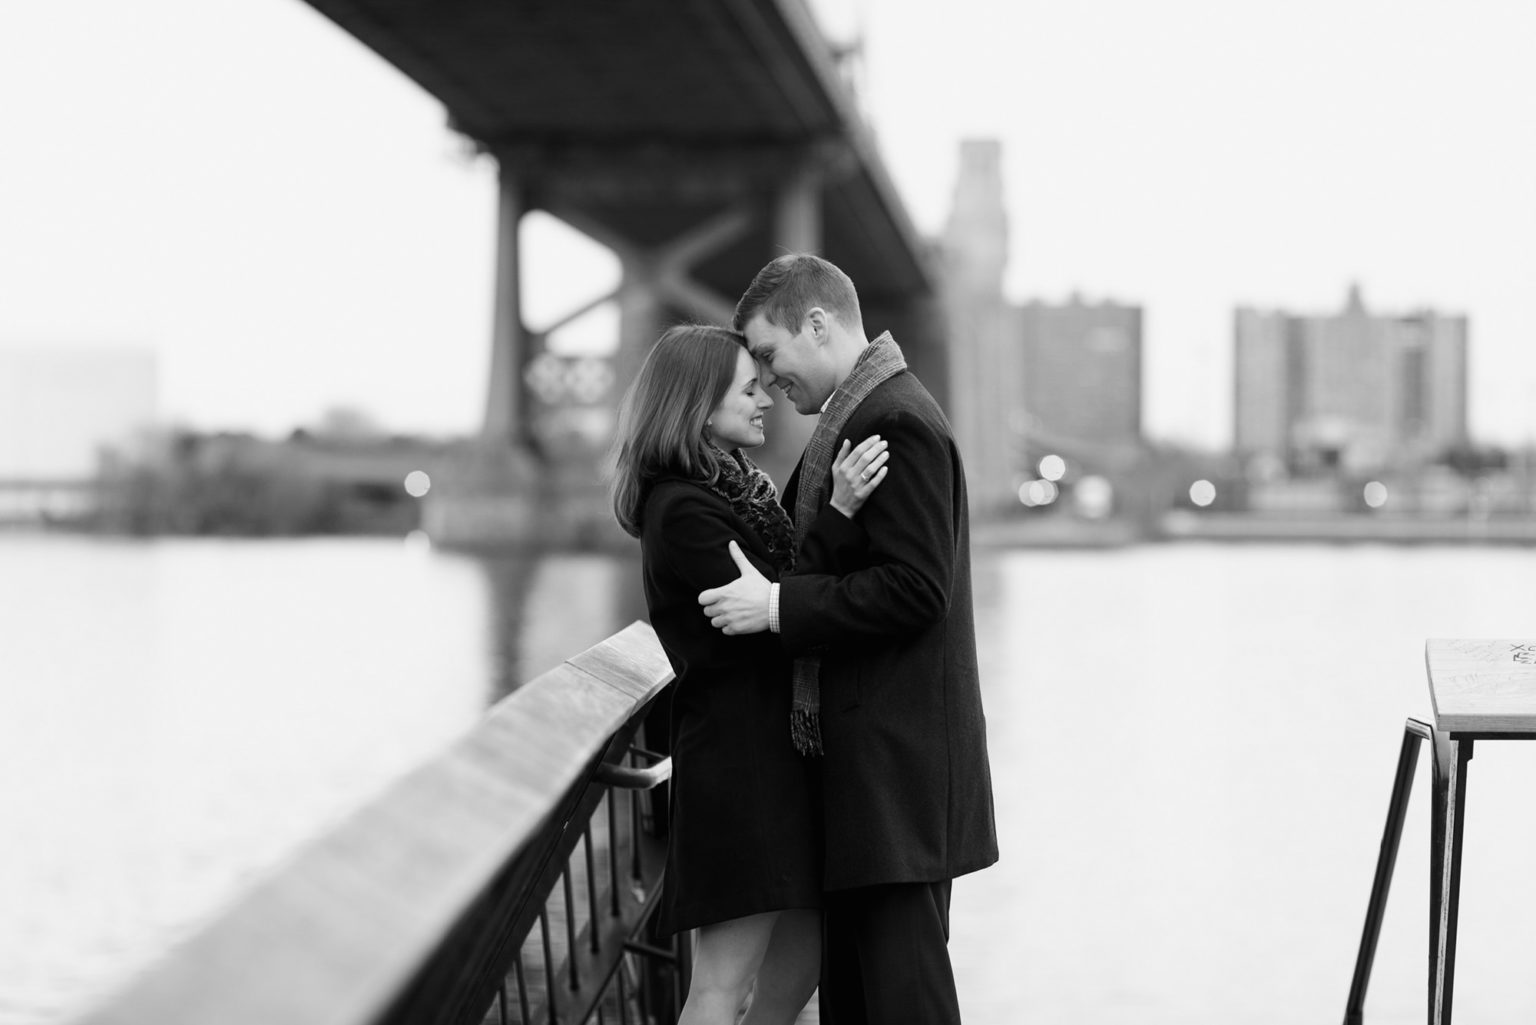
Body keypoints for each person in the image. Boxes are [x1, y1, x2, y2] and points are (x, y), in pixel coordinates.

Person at [697, 254, 999, 1025]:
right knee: (864, 1006)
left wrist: (776, 608)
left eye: (768, 353)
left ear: (820, 324)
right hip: (872, 783)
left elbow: (916, 590)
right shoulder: (860, 417)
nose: (764, 379)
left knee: (906, 1005)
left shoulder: (891, 421)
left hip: (896, 781)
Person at [608, 323, 890, 1025]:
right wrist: (841, 513)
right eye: (748, 386)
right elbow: (781, 606)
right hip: (742, 772)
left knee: (796, 979)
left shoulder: (736, 492)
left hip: (781, 764)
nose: (766, 396)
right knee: (720, 989)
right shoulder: (684, 510)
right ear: (700, 404)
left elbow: (778, 597)